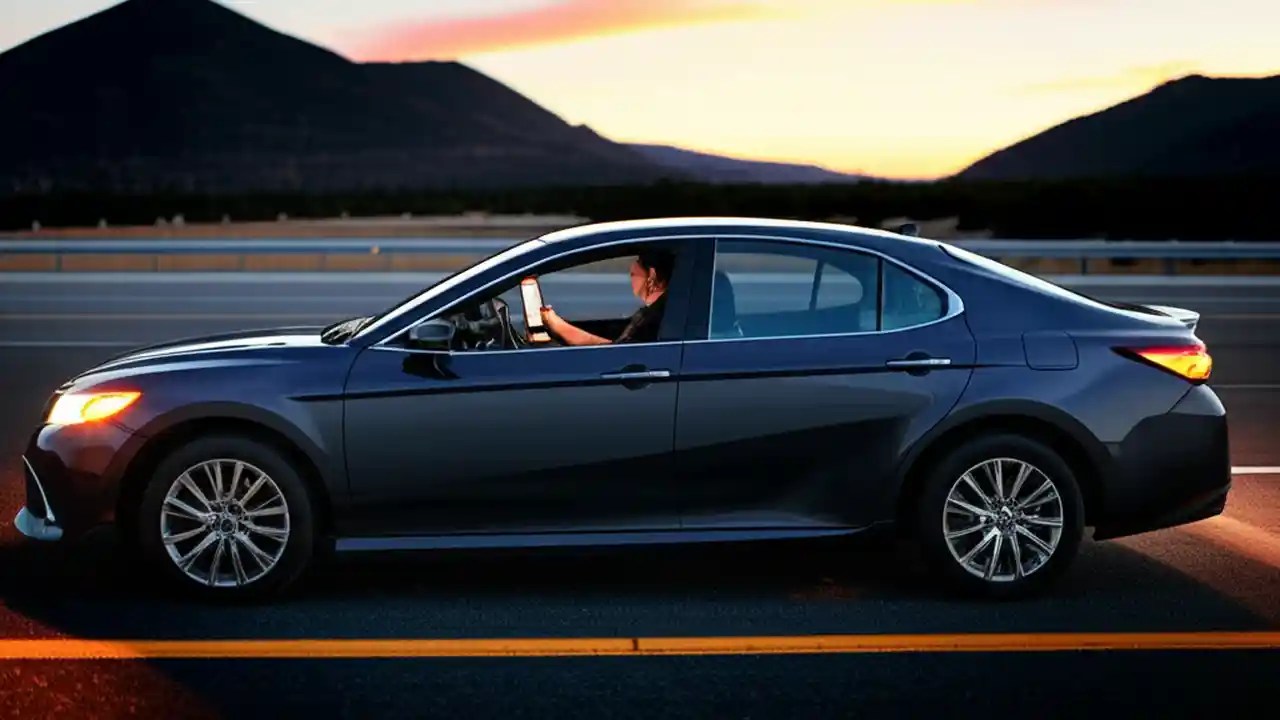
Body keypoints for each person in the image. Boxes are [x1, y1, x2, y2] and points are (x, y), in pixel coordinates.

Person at [540, 250, 673, 346]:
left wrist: (559, 326)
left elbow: (618, 353)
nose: (631, 279)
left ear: (651, 275)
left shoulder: (657, 318)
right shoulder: (661, 311)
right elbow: (613, 333)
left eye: (633, 274)